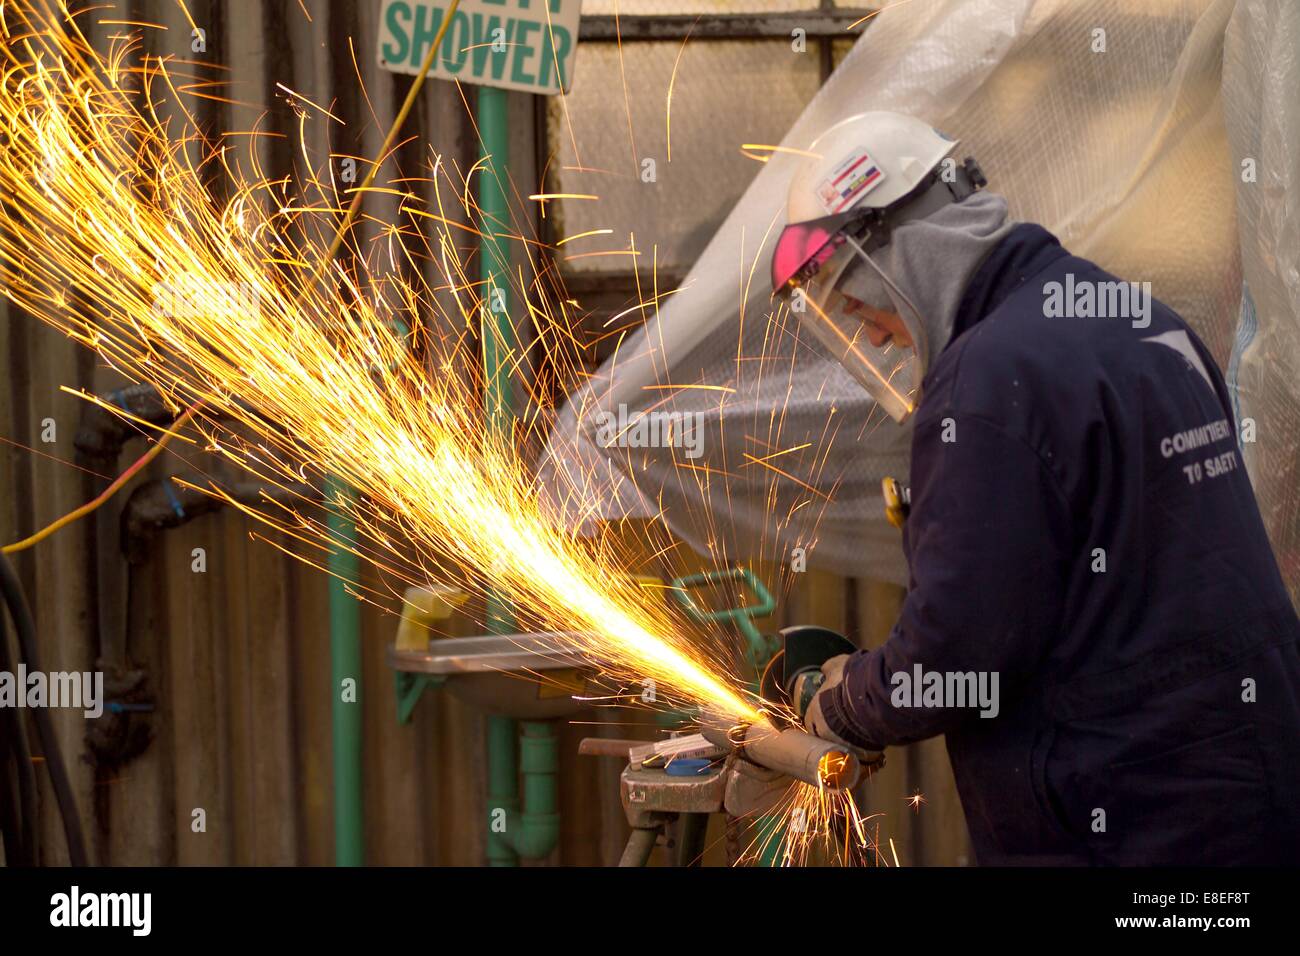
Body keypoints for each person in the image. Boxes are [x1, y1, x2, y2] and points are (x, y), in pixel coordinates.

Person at [771, 111, 1300, 865]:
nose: (874, 335)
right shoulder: (1136, 319)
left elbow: (959, 660)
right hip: (1250, 782)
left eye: (859, 305)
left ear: (901, 254)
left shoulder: (985, 386)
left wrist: (848, 701)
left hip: (1133, 816)